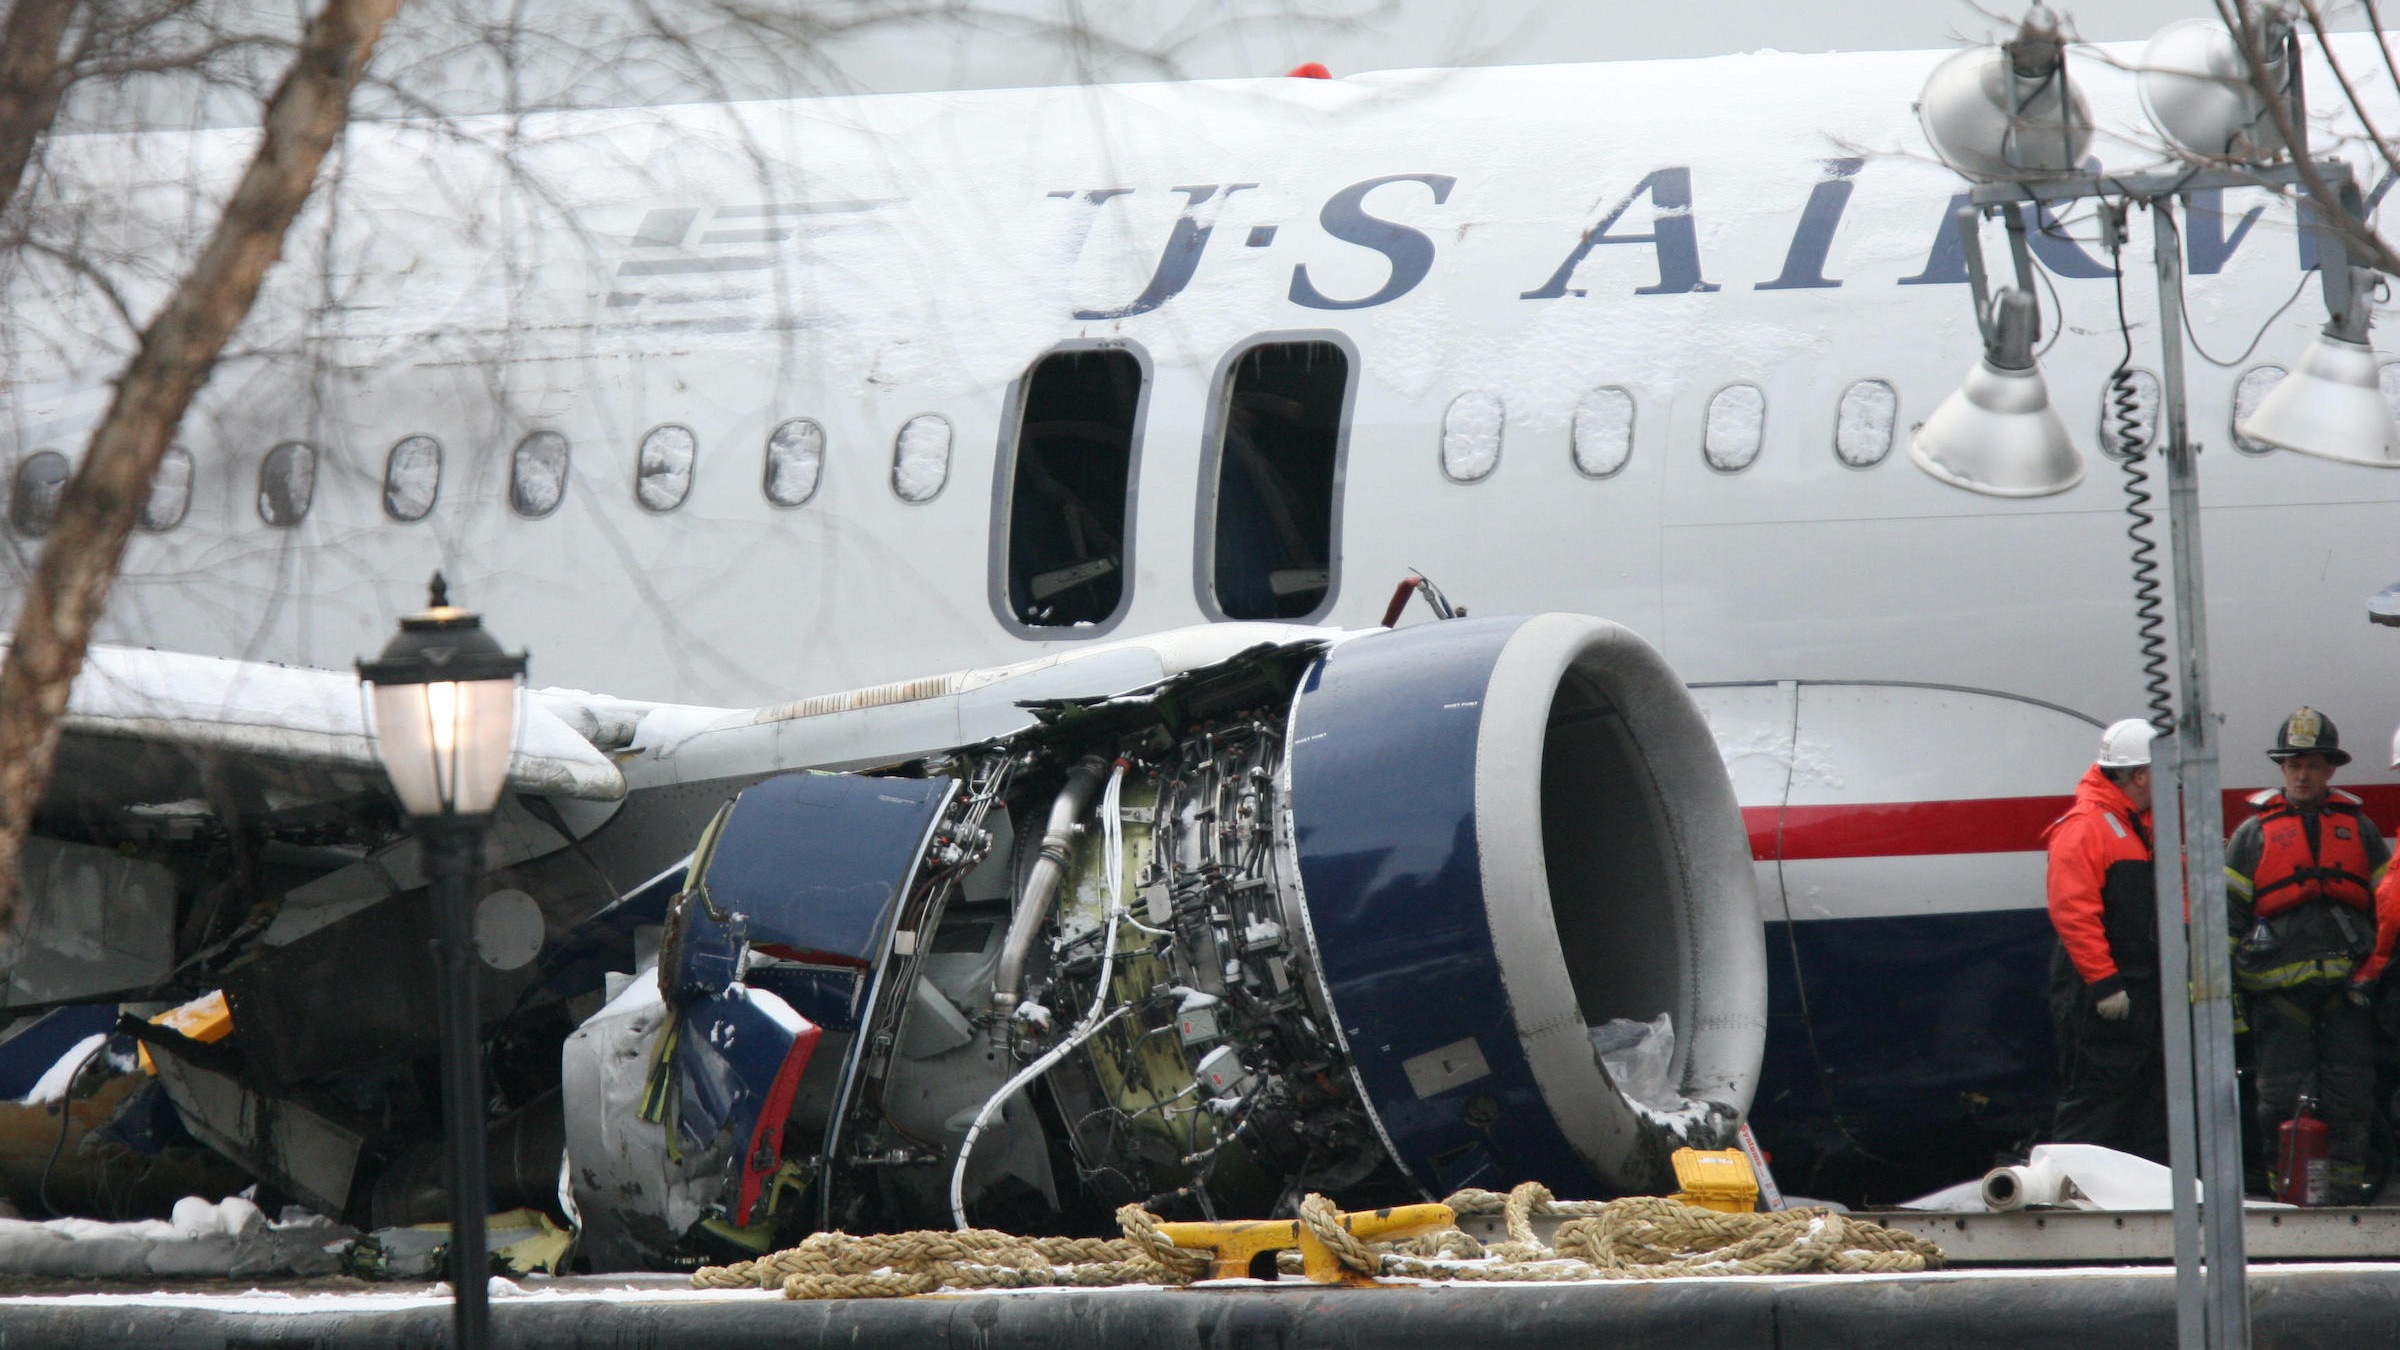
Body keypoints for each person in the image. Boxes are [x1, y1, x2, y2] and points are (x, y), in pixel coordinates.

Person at [2225, 707, 2394, 1203]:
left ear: (2330, 770)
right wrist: (2226, 1001)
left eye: (2314, 764)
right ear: (2281, 770)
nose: (2303, 773)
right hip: (2278, 1000)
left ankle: (2343, 1196)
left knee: (2350, 1095)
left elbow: (2389, 908)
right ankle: (2291, 1199)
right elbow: (2226, 920)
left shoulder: (2359, 830)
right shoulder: (2252, 835)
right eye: (2294, 764)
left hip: (2349, 994)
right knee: (2280, 1099)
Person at [2045, 717, 2166, 1161]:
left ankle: (2145, 1202)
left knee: (2146, 1101)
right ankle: (2072, 1197)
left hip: (2140, 991)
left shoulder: (2139, 826)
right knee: (2098, 1099)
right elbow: (2073, 912)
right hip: (2103, 995)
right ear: (2140, 775)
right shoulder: (2088, 828)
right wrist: (2104, 983)